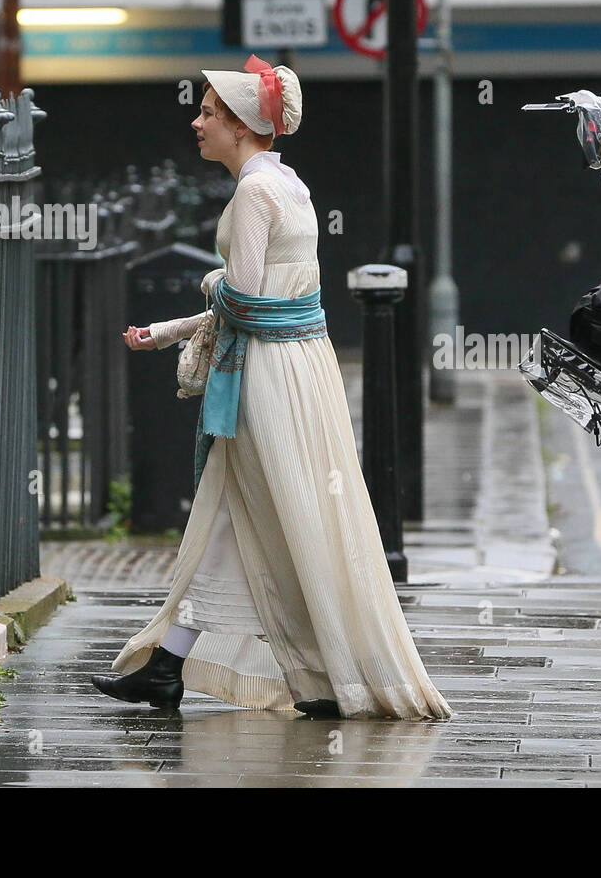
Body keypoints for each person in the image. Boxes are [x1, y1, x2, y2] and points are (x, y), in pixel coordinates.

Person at [92, 56, 452, 720]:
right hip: (299, 368)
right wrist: (170, 330)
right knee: (243, 516)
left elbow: (247, 300)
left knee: (260, 512)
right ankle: (177, 667)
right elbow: (270, 299)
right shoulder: (290, 183)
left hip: (267, 375)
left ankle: (315, 673)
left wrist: (195, 301)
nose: (195, 122)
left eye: (208, 113)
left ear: (240, 126)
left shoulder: (255, 194)